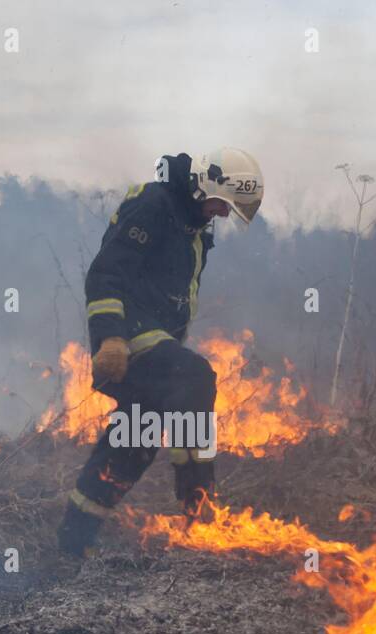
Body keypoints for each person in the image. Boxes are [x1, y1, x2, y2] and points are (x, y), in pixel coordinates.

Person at [56, 148, 264, 558]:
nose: (224, 214)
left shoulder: (195, 222)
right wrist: (111, 337)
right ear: (206, 185)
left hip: (160, 342)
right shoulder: (153, 206)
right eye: (224, 204)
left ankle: (70, 544)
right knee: (195, 376)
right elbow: (106, 274)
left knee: (134, 441)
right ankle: (198, 502)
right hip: (128, 338)